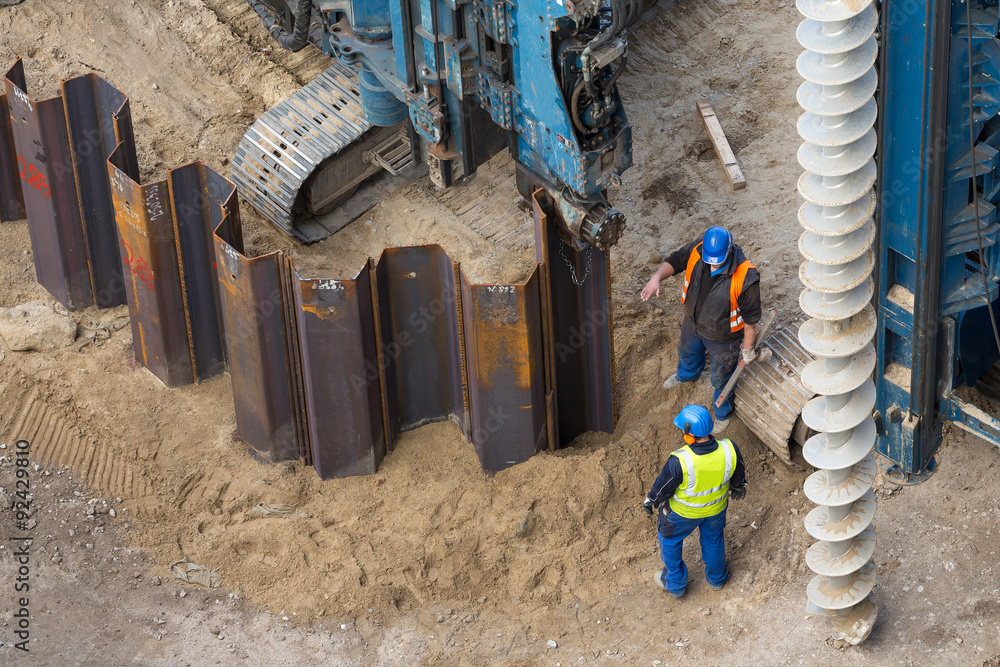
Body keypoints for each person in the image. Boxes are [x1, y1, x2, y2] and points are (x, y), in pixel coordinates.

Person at [640, 226, 765, 434]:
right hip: (693, 322)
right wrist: (656, 278)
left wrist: (748, 348)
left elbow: (751, 320)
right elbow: (675, 261)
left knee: (722, 377)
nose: (713, 264)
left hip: (724, 338)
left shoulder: (746, 277)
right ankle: (687, 375)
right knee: (687, 352)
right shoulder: (697, 249)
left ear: (730, 250)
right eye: (710, 260)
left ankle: (722, 413)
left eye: (718, 260)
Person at [642, 404, 747, 598]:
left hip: (683, 515)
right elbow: (738, 472)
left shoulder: (680, 460)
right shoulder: (729, 449)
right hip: (716, 510)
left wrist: (651, 500)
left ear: (690, 435)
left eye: (683, 430)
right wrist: (739, 486)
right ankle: (717, 579)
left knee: (669, 540)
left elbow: (663, 487)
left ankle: (675, 584)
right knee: (713, 541)